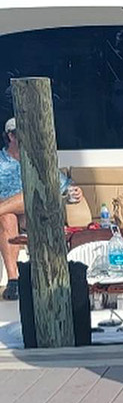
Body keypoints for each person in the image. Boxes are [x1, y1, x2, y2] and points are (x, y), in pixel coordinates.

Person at [0, 118, 83, 300]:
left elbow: (63, 187)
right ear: (11, 136)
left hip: (33, 213)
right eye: (23, 134)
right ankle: (14, 280)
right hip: (7, 219)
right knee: (7, 217)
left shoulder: (39, 161)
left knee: (30, 196)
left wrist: (75, 192)